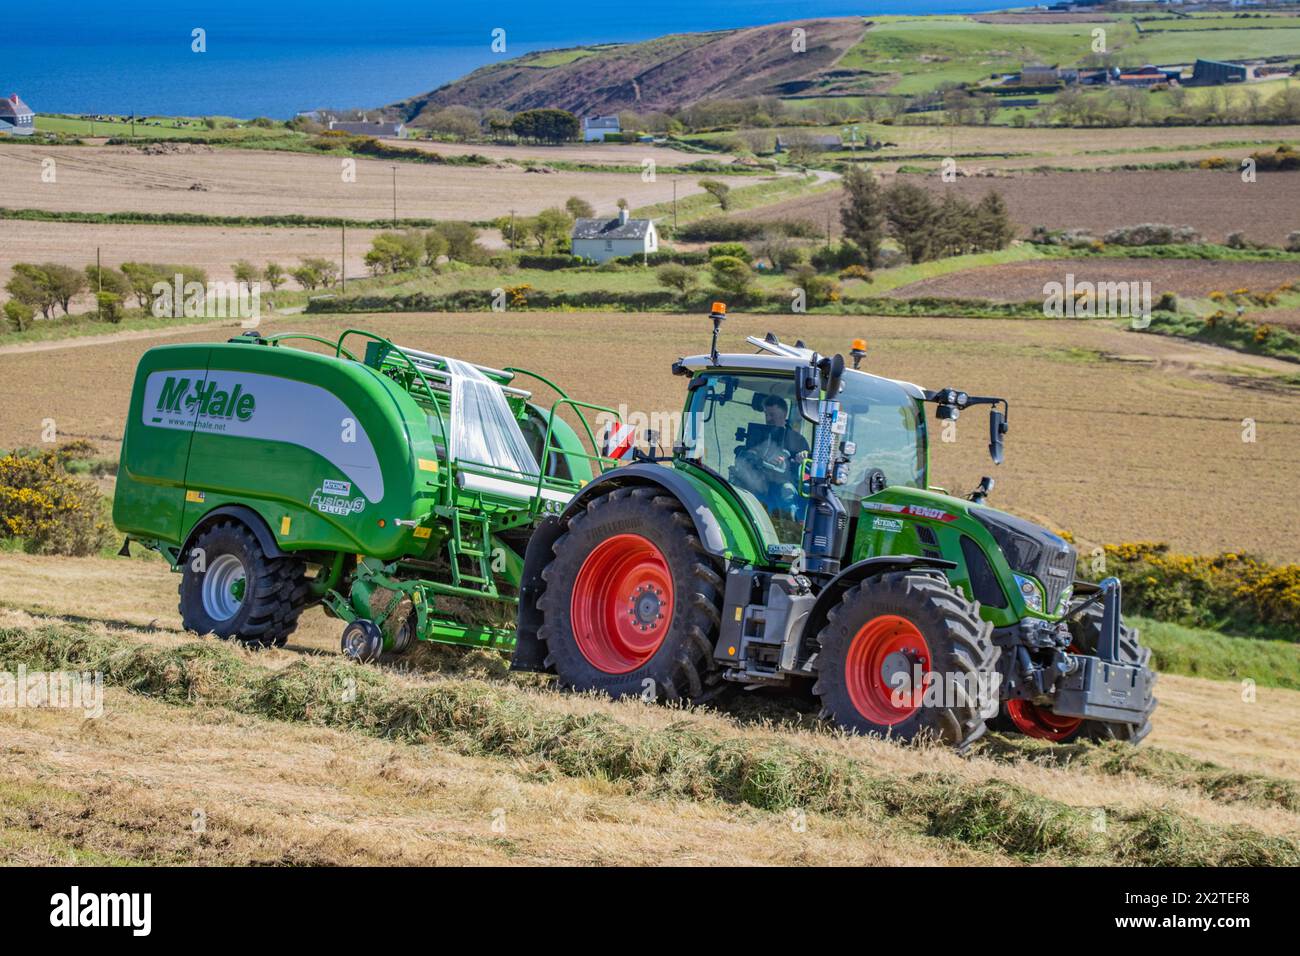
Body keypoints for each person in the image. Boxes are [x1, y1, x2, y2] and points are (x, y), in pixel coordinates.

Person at [733, 395, 809, 518]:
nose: (768, 418)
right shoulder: (757, 435)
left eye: (772, 415)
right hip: (758, 484)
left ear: (784, 415)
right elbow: (745, 458)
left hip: (783, 485)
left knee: (787, 492)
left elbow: (806, 470)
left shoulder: (798, 440)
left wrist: (800, 459)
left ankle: (789, 525)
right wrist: (751, 453)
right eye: (766, 414)